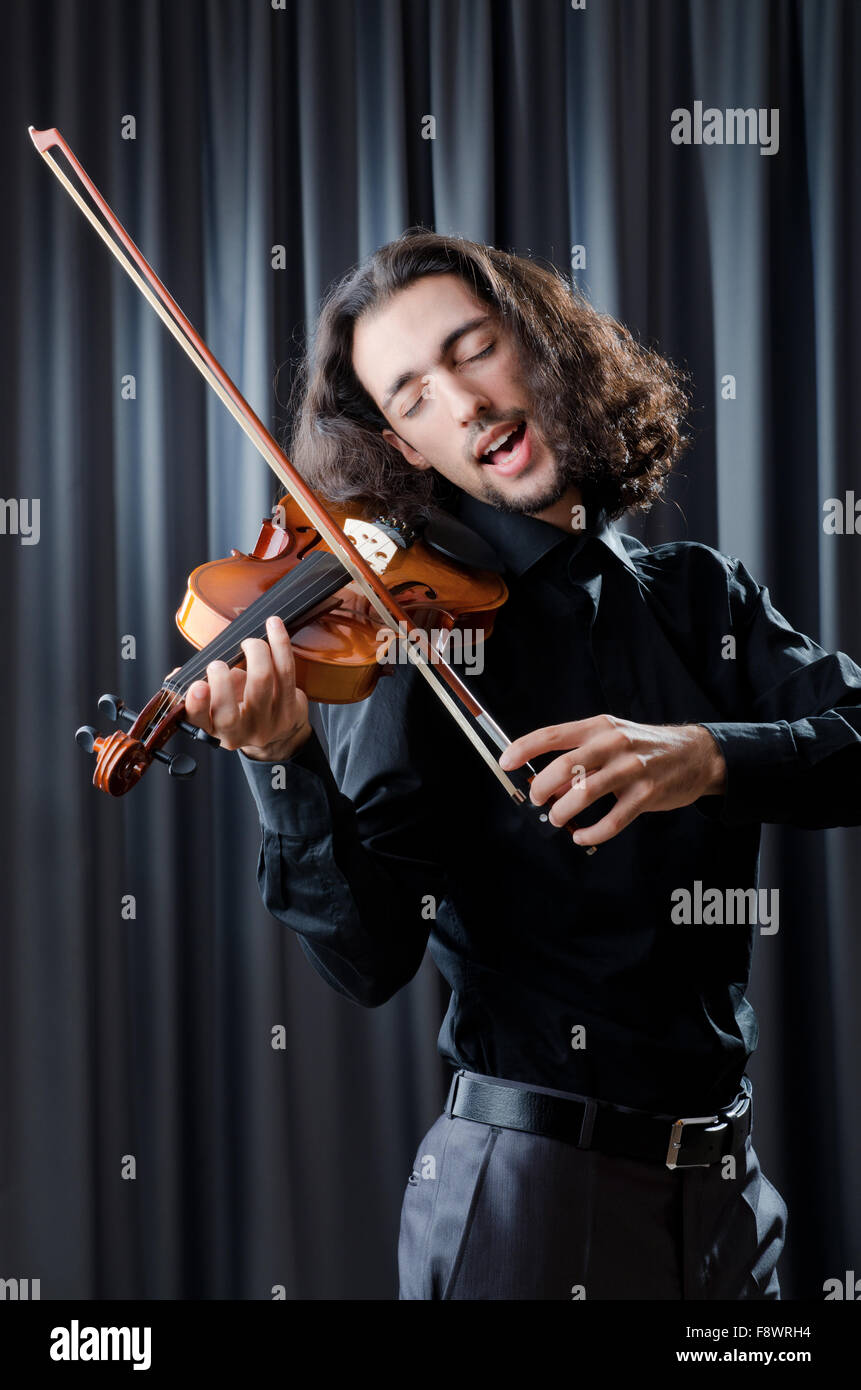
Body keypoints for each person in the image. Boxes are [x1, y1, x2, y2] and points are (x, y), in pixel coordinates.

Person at [184, 230, 861, 1300]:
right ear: (406, 449)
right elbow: (368, 960)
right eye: (411, 397)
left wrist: (703, 756)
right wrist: (283, 767)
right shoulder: (410, 644)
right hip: (535, 1205)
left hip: (732, 1198)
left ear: (541, 347)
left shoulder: (696, 597)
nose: (462, 401)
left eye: (473, 349)